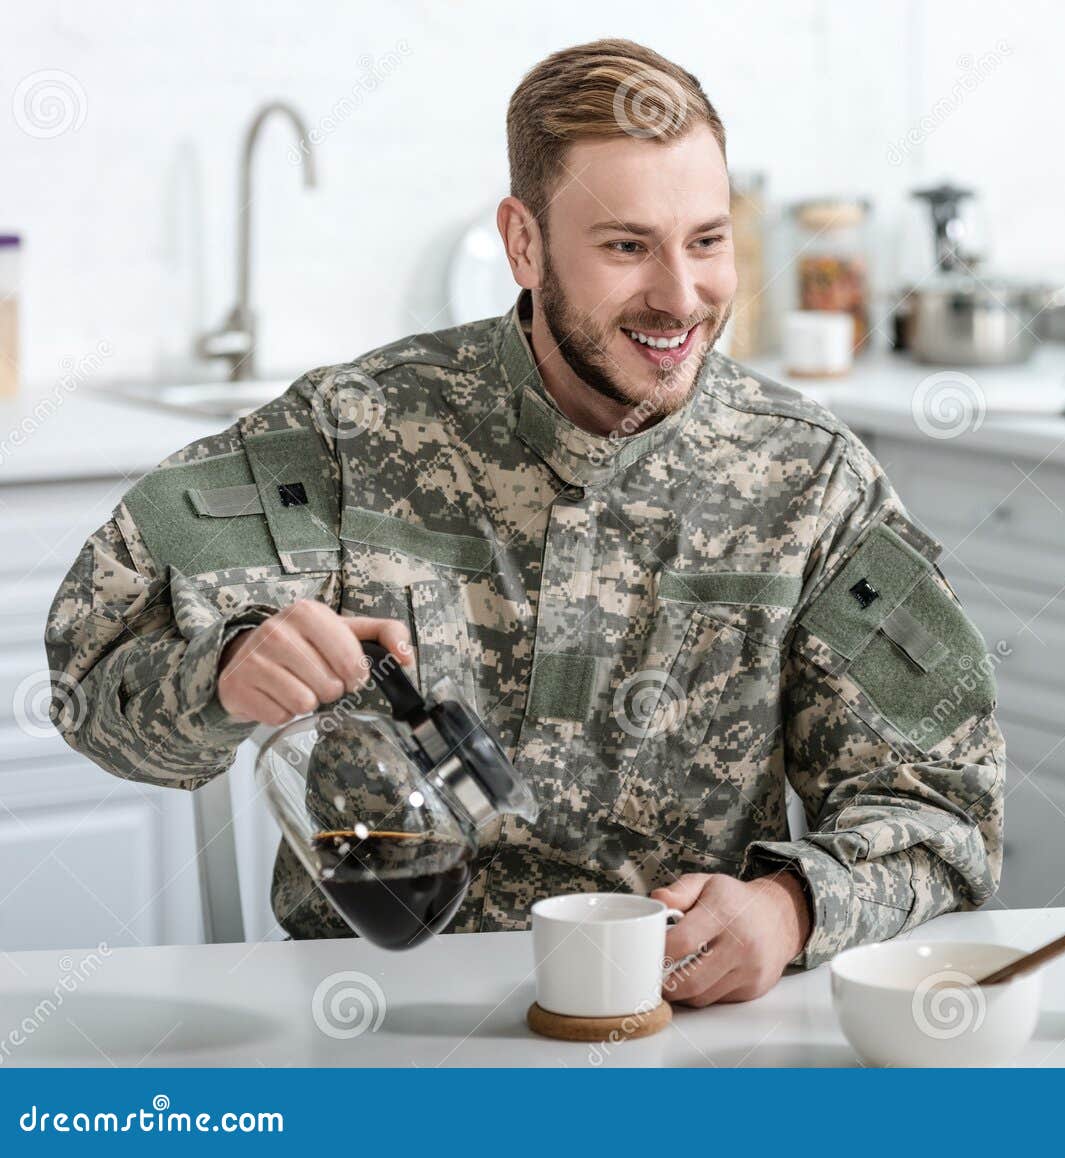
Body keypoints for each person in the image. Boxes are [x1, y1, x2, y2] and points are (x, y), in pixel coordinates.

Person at [45, 38, 1003, 1007]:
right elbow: (88, 686)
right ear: (523, 243)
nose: (680, 297)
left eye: (706, 241)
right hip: (371, 1021)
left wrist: (794, 907)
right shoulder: (345, 436)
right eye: (627, 246)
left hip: (670, 1027)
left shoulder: (809, 478)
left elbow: (947, 815)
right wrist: (222, 679)